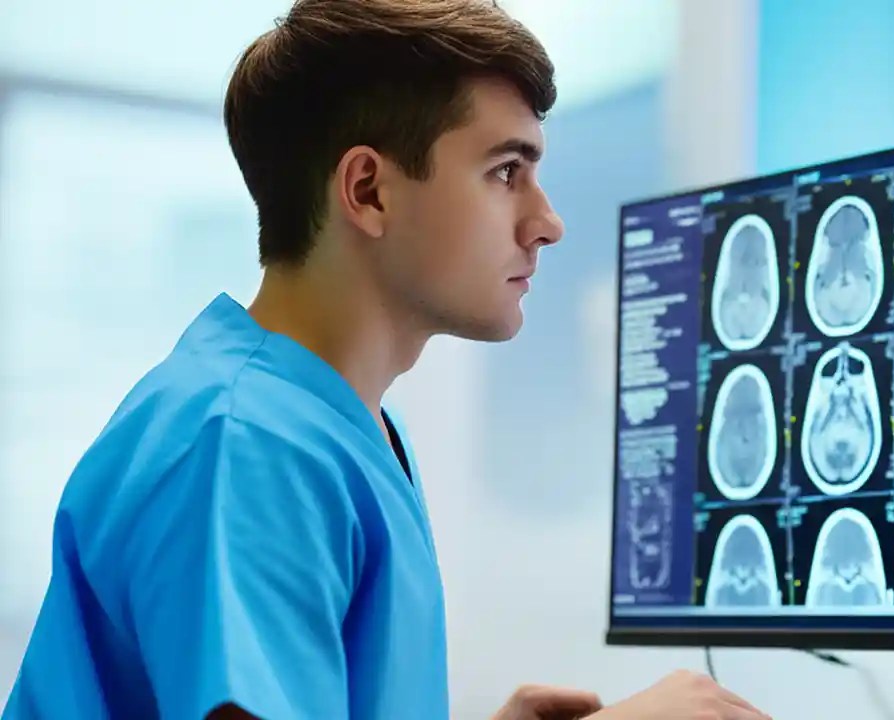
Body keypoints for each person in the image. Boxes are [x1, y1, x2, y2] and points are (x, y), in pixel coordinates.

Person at [1, 1, 773, 719]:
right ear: (368, 190)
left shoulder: (338, 424)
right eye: (507, 172)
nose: (548, 223)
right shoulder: (244, 444)